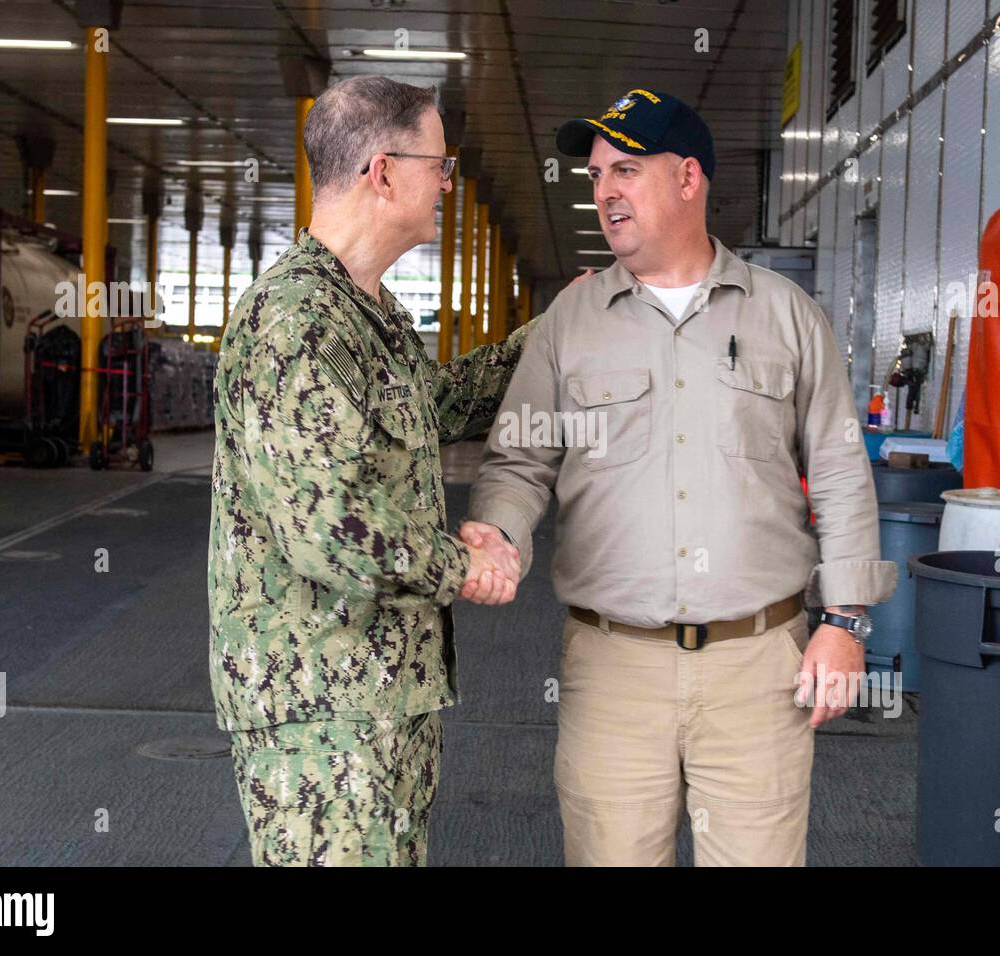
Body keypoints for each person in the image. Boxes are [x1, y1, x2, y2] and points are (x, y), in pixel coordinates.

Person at [462, 88, 898, 866]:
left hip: (758, 665)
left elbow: (837, 471)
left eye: (625, 170)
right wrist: (496, 533)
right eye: (595, 176)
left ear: (688, 179)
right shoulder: (572, 321)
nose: (604, 193)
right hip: (612, 669)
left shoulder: (787, 316)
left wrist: (846, 623)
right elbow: (522, 459)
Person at [208, 75, 524, 867]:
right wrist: (468, 566)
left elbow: (437, 404)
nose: (449, 184)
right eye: (440, 165)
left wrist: (556, 337)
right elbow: (334, 532)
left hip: (380, 689)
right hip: (320, 704)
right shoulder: (299, 322)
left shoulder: (363, 311)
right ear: (383, 171)